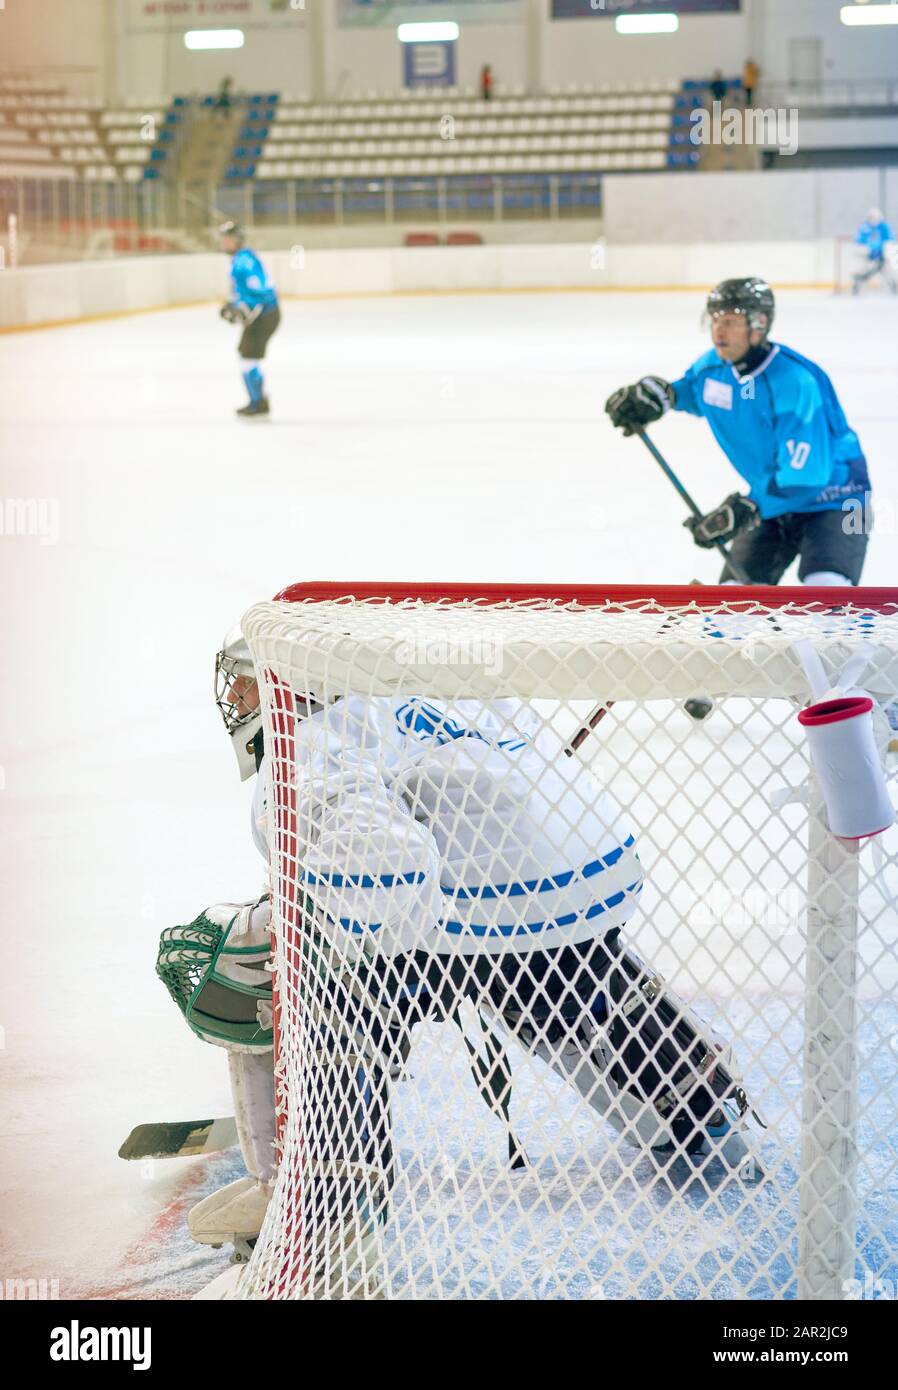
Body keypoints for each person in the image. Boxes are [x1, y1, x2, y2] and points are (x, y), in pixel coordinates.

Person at [172, 625, 760, 1294]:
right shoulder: (451, 695)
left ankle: (318, 1193)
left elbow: (388, 878)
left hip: (457, 925)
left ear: (299, 684)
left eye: (251, 683)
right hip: (583, 899)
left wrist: (308, 922)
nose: (242, 699)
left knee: (256, 950)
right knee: (563, 973)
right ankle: (688, 1094)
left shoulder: (310, 747)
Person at [605, 277, 872, 589]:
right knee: (730, 609)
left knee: (829, 595)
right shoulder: (713, 368)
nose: (719, 331)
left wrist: (745, 511)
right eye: (716, 319)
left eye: (730, 321)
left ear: (758, 324)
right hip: (771, 499)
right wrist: (661, 396)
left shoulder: (795, 383)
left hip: (840, 500)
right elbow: (693, 391)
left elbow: (806, 477)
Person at [218, 220, 280, 418]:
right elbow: (245, 292)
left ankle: (258, 403)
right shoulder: (242, 258)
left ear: (237, 240)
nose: (224, 243)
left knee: (248, 359)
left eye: (228, 239)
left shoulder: (243, 261)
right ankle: (258, 400)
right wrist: (236, 305)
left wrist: (243, 309)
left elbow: (262, 291)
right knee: (246, 356)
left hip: (264, 316)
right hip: (262, 315)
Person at [851, 207, 897, 296]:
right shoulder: (865, 227)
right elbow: (860, 241)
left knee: (886, 272)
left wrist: (886, 251)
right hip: (869, 255)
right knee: (863, 271)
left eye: (875, 217)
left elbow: (889, 239)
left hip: (881, 255)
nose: (873, 219)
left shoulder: (884, 227)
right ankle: (857, 285)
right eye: (871, 217)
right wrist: (864, 250)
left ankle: (893, 286)